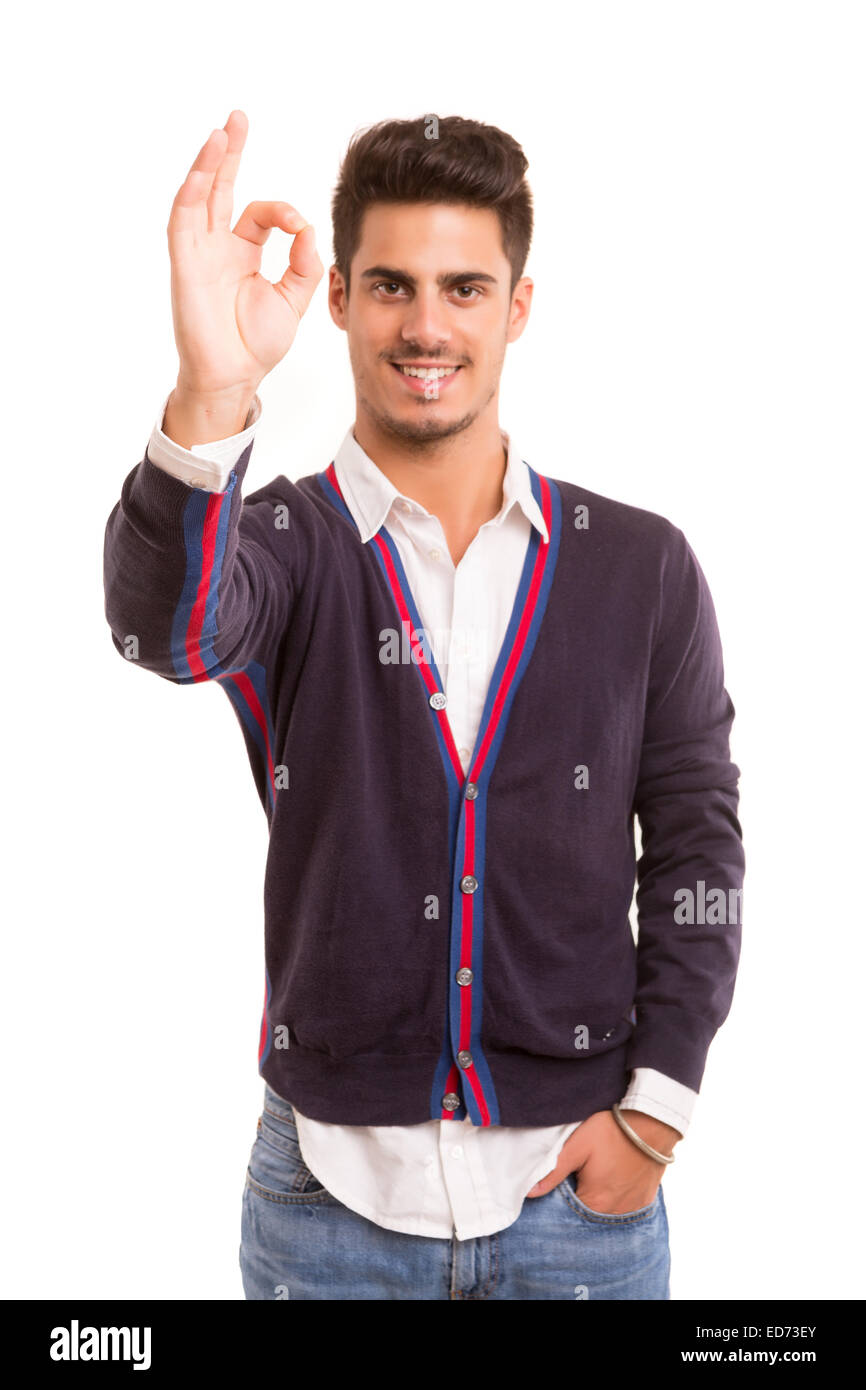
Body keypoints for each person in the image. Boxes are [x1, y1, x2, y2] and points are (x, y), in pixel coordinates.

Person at [102, 109, 745, 1301]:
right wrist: (209, 388)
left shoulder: (638, 566)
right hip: (325, 1214)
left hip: (576, 1212)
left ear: (517, 306)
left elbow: (696, 847)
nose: (427, 325)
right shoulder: (287, 545)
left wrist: (654, 1115)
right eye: (392, 285)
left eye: (464, 286)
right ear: (338, 299)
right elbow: (167, 629)